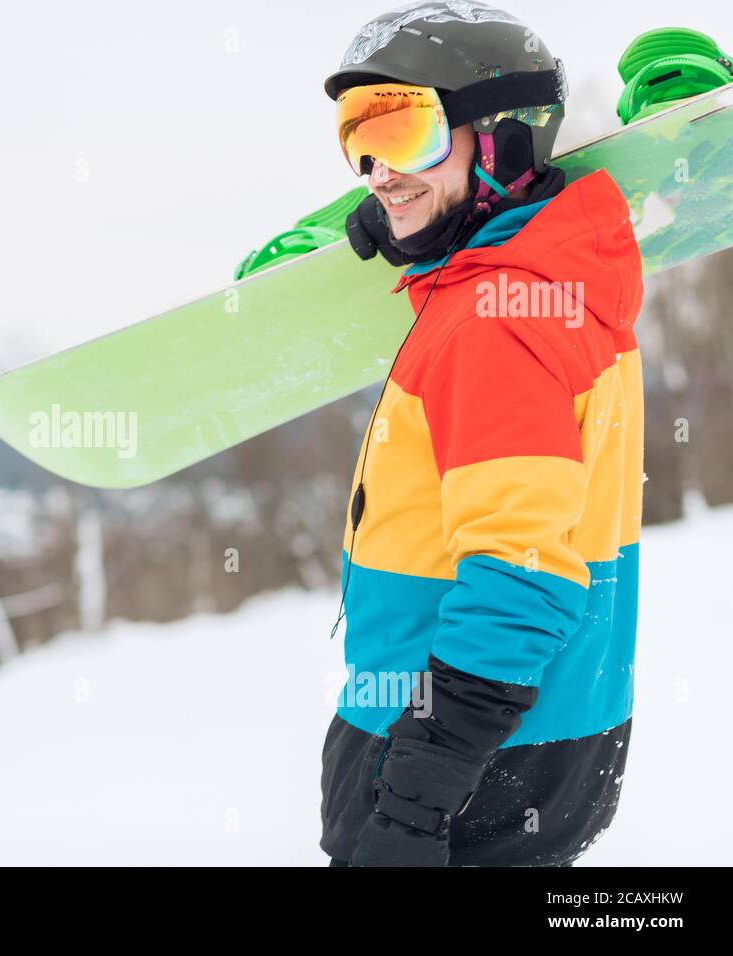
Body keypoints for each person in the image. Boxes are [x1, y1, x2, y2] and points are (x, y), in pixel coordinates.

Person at [319, 1, 644, 867]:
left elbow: (519, 582)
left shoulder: (492, 323)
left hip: (452, 773)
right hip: (552, 741)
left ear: (500, 139)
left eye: (408, 132)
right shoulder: (558, 280)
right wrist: (424, 223)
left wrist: (413, 804)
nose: (377, 171)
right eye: (361, 138)